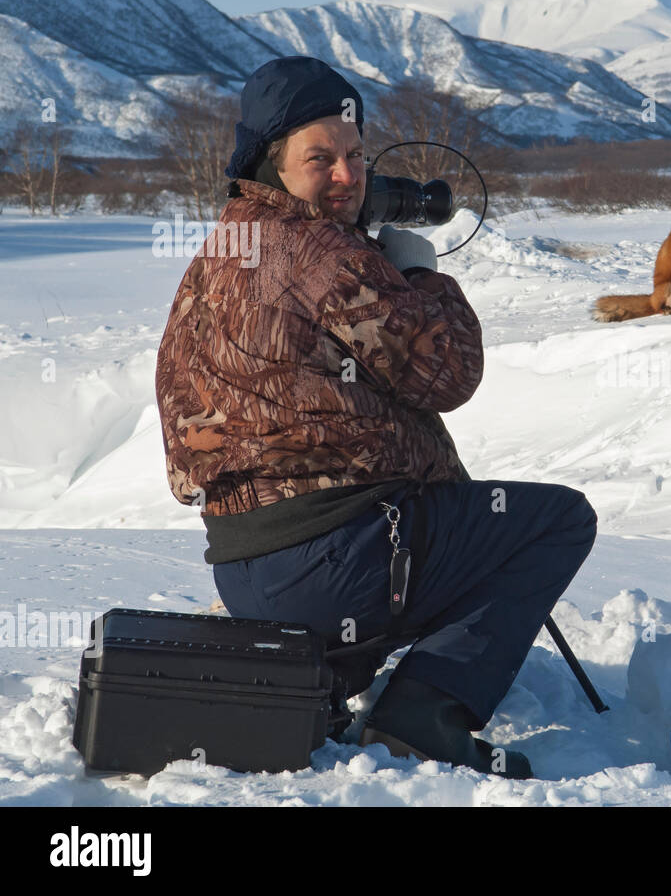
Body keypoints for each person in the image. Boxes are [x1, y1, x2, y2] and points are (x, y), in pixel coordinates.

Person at [154, 56, 598, 779]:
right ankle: (423, 720)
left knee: (436, 511)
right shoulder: (316, 250)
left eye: (356, 155)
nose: (346, 175)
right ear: (270, 164)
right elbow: (448, 375)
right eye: (319, 159)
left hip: (249, 570)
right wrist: (418, 272)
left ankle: (327, 678)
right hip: (339, 564)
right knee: (555, 521)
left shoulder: (222, 248)